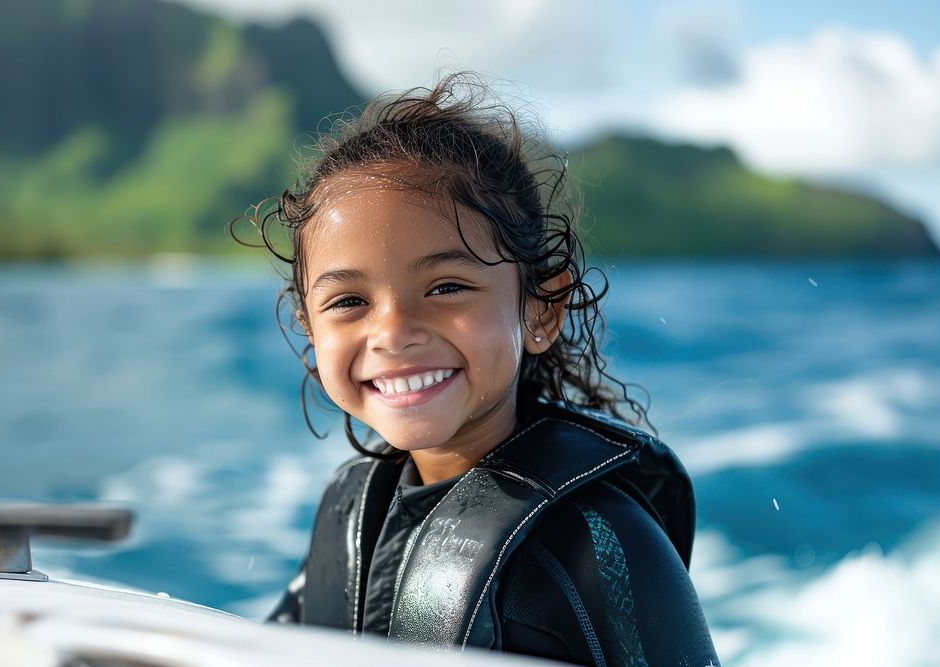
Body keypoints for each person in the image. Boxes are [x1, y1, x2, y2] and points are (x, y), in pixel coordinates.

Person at [234, 72, 720, 666]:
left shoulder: (599, 544)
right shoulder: (354, 518)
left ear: (541, 309)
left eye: (445, 286)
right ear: (311, 333)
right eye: (349, 302)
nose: (391, 333)